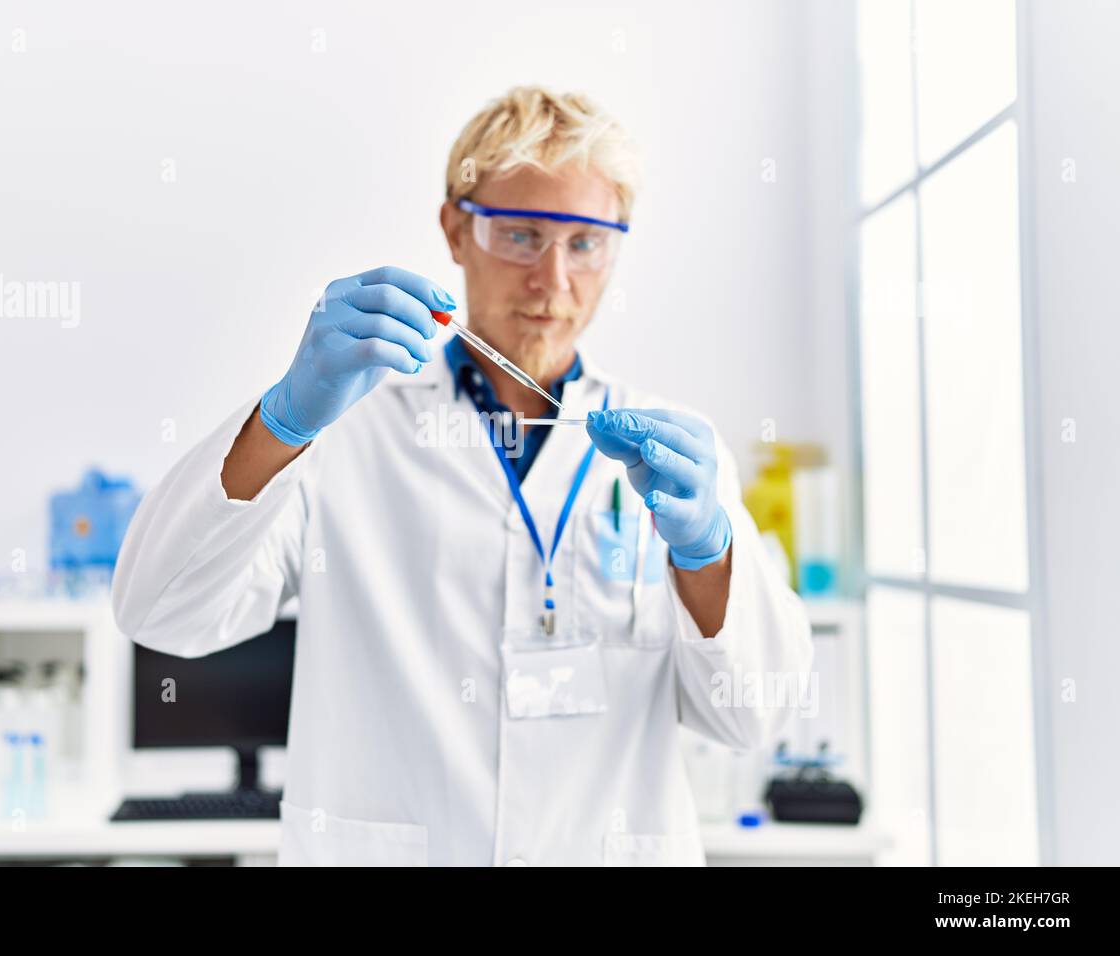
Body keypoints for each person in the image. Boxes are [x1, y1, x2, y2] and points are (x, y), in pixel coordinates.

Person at [112, 86, 813, 866]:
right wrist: (283, 420)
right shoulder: (347, 431)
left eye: (587, 243)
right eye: (520, 235)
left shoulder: (674, 454)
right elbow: (158, 610)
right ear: (455, 228)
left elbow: (754, 717)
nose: (552, 281)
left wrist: (708, 554)